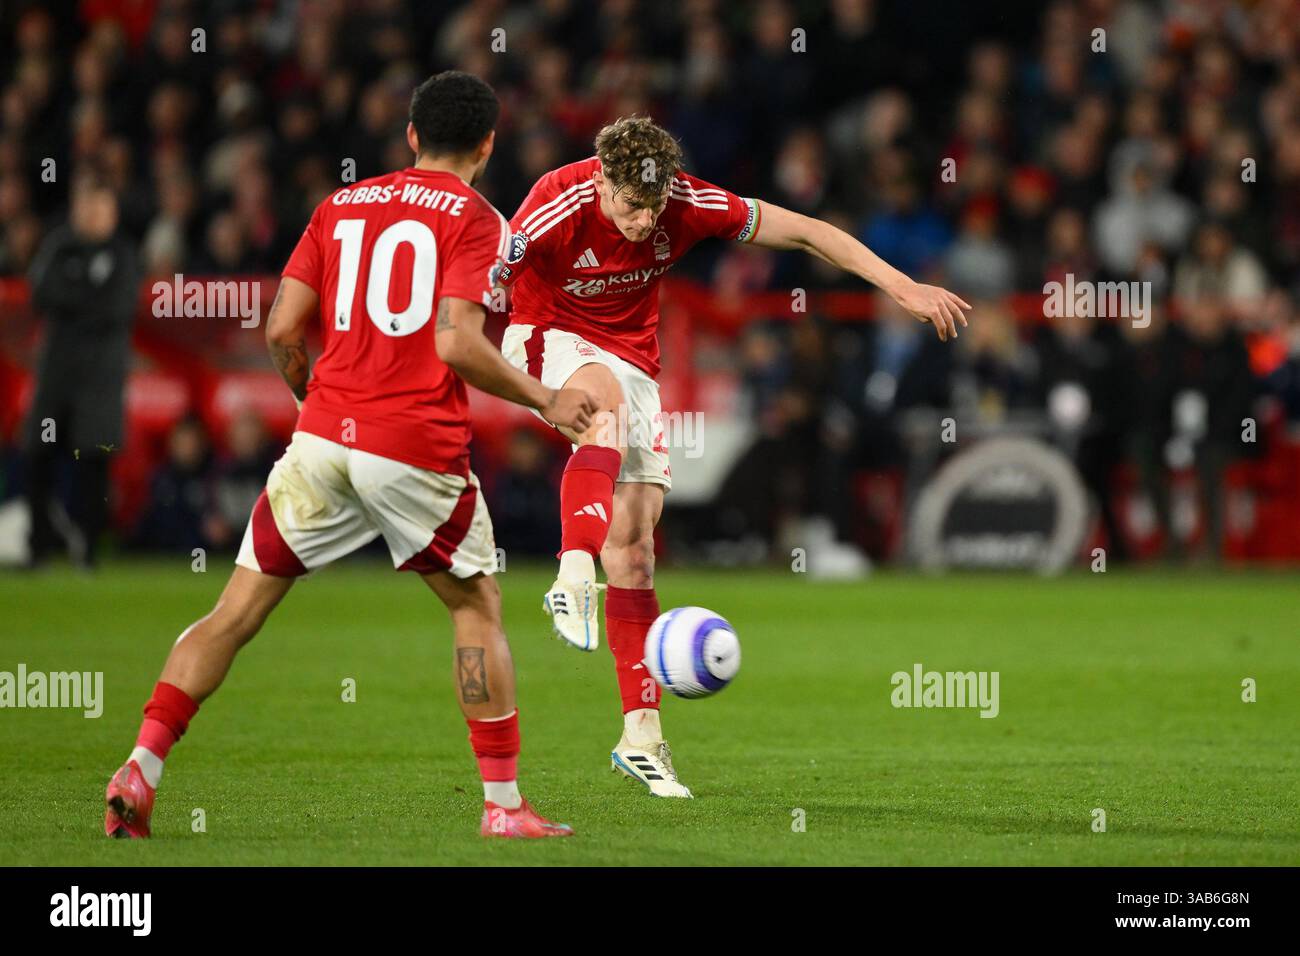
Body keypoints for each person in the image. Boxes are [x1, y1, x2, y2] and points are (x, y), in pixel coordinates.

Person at [103, 71, 597, 841]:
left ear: (410, 135)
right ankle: (503, 807)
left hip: (324, 437)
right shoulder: (478, 218)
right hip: (416, 447)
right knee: (474, 606)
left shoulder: (340, 205)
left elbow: (279, 332)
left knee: (232, 613)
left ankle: (143, 762)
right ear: (488, 144)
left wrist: (311, 404)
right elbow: (458, 343)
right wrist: (546, 399)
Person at [498, 116, 971, 796]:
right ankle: (571, 577)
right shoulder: (557, 201)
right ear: (601, 181)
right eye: (630, 206)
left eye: (652, 208)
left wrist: (900, 286)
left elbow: (808, 230)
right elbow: (480, 280)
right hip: (546, 335)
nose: (641, 223)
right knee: (601, 407)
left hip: (633, 358)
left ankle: (642, 737)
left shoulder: (686, 202)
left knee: (633, 548)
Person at [23, 171, 139, 569]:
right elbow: (40, 292)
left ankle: (88, 550)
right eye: (86, 206)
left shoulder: (123, 254)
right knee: (38, 456)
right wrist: (90, 301)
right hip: (57, 376)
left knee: (93, 462)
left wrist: (73, 303)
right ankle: (38, 546)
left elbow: (119, 308)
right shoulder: (59, 247)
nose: (92, 215)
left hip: (100, 381)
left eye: (100, 206)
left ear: (113, 210)